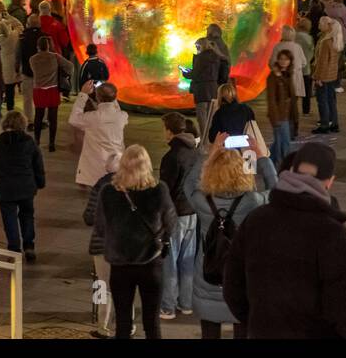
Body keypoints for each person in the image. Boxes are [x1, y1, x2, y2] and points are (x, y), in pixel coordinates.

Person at [222, 142, 346, 339]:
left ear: (292, 171)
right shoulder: (331, 234)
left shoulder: (256, 220)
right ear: (329, 182)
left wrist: (259, 321)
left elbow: (233, 286)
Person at [183, 139, 277, 338]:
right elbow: (277, 190)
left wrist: (208, 155)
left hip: (208, 279)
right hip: (240, 280)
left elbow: (188, 183)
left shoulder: (202, 200)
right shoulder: (251, 201)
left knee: (209, 333)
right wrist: (261, 158)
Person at [99, 145, 176, 339]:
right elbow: (171, 223)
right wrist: (162, 240)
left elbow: (100, 226)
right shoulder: (159, 190)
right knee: (151, 322)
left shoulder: (108, 192)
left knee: (123, 323)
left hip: (120, 264)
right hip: (151, 262)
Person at [0, 110, 45, 260]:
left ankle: (14, 249)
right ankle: (29, 246)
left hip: (6, 188)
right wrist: (40, 182)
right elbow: (38, 165)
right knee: (27, 215)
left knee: (9, 218)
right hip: (26, 187)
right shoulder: (30, 143)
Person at [157, 113, 199, 321]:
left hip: (176, 214)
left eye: (164, 129)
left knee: (170, 261)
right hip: (193, 211)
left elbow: (165, 190)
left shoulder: (172, 157)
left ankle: (168, 306)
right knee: (188, 260)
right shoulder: (195, 152)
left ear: (170, 131)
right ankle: (187, 303)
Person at [83, 152, 129, 338]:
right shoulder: (132, 185)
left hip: (102, 244)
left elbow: (88, 217)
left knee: (102, 286)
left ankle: (103, 325)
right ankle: (127, 324)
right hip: (125, 246)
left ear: (108, 167)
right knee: (125, 287)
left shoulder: (101, 185)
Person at [68, 80, 128, 188]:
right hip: (117, 163)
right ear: (115, 97)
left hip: (96, 166)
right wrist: (110, 93)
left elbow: (74, 119)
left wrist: (83, 94)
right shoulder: (123, 116)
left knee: (97, 196)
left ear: (97, 98)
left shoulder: (92, 118)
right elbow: (115, 108)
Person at [28, 36, 74, 151]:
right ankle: (51, 144)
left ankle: (37, 141)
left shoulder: (32, 59)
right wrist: (65, 74)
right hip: (53, 89)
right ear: (48, 46)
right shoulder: (55, 57)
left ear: (37, 47)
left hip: (38, 90)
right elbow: (70, 66)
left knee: (38, 116)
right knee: (53, 118)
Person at [189, 38, 229, 139]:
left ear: (202, 46)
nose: (196, 48)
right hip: (213, 90)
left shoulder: (201, 57)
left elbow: (195, 74)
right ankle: (212, 139)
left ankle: (204, 141)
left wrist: (185, 73)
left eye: (197, 46)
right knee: (211, 118)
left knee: (202, 118)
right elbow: (222, 72)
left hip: (202, 90)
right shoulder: (216, 56)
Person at [264, 49, 298, 167]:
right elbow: (271, 99)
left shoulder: (288, 74)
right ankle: (285, 165)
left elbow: (291, 95)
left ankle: (270, 162)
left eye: (286, 59)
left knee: (278, 141)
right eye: (281, 59)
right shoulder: (273, 76)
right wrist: (275, 118)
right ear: (278, 60)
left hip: (287, 113)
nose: (284, 61)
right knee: (284, 142)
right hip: (279, 114)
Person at [311, 15, 344, 134]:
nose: (319, 26)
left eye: (321, 24)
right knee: (331, 100)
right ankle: (334, 124)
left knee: (322, 101)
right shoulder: (336, 40)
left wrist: (317, 77)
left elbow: (322, 62)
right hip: (332, 75)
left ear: (327, 26)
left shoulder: (325, 42)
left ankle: (324, 125)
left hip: (324, 76)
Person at [294, 18, 316, 117]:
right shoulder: (309, 38)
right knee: (306, 91)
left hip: (295, 68)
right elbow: (312, 53)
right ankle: (306, 110)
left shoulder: (294, 37)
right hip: (306, 68)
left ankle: (293, 108)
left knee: (294, 89)